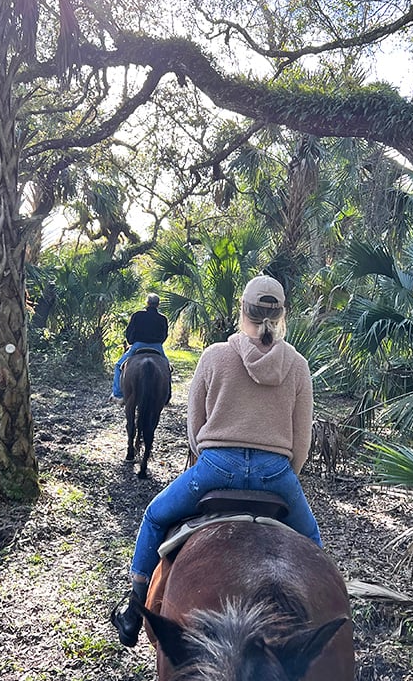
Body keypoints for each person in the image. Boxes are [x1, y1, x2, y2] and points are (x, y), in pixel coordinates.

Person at [110, 274, 322, 647]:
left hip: (215, 469)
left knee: (155, 516)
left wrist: (214, 456)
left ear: (243, 310)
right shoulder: (298, 365)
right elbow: (302, 440)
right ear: (282, 314)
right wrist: (283, 476)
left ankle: (133, 612)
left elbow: (195, 427)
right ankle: (320, 619)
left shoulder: (214, 355)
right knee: (312, 542)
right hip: (276, 474)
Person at [110, 293, 169, 402]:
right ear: (158, 304)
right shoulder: (162, 318)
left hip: (138, 345)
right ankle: (167, 396)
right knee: (167, 368)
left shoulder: (137, 315)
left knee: (118, 365)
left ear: (147, 303)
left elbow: (129, 332)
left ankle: (118, 394)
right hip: (156, 346)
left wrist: (131, 341)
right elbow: (164, 335)